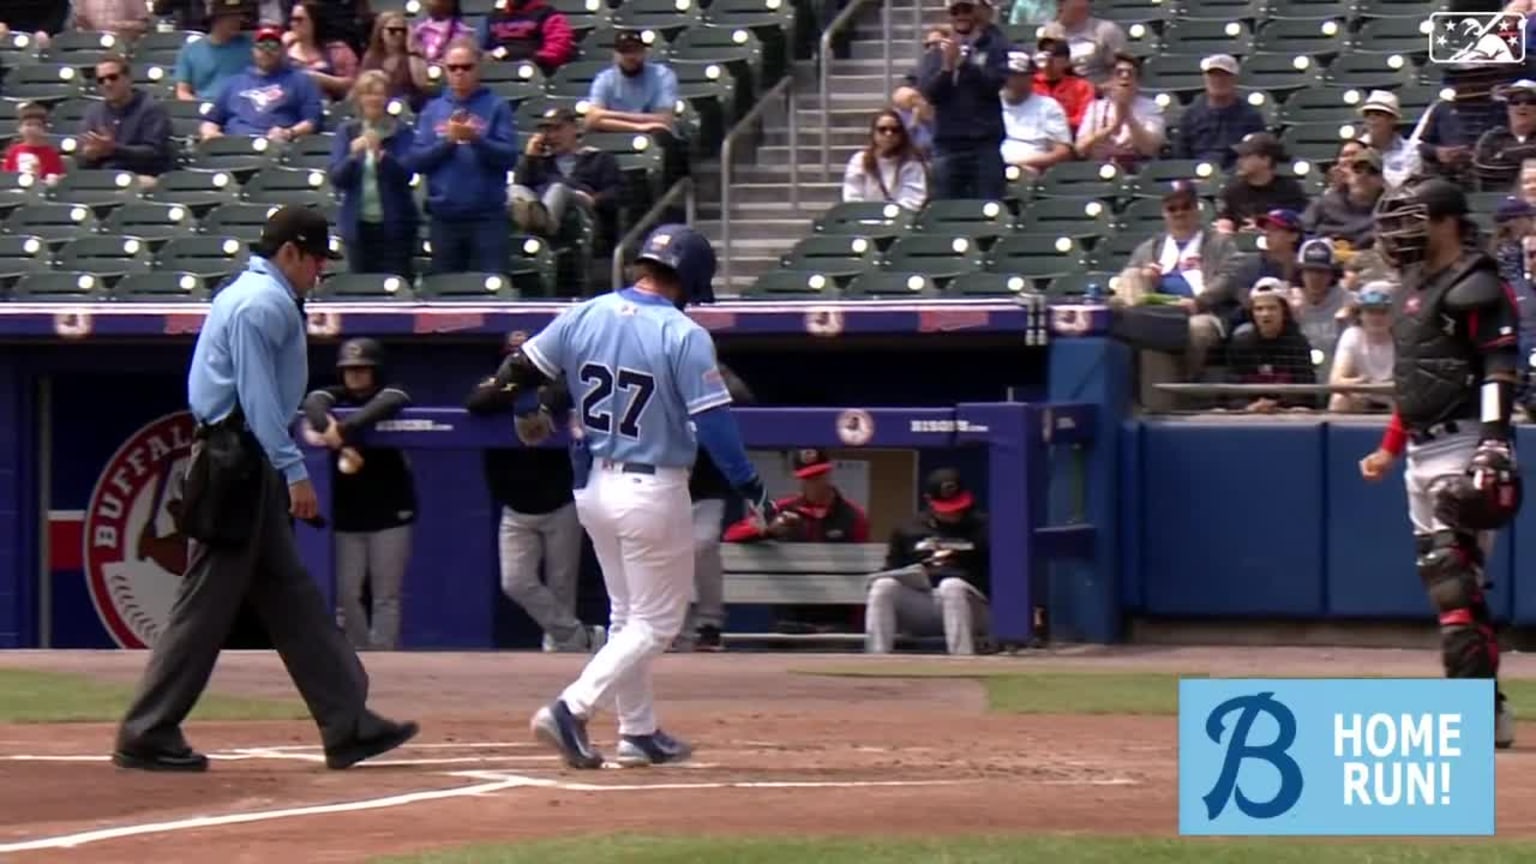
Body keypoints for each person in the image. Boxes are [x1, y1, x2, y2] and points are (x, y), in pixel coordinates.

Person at [111, 206, 418, 772]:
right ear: (290, 253)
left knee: (292, 595)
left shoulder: (255, 294)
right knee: (203, 607)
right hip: (238, 461)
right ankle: (147, 729)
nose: (320, 272)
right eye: (316, 259)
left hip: (241, 457)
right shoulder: (261, 303)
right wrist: (295, 471)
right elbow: (255, 398)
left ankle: (347, 720)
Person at [491, 224, 776, 769]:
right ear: (690, 277)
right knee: (658, 622)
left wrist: (525, 409)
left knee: (627, 615)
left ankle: (638, 733)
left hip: (594, 485)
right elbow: (715, 426)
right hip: (651, 487)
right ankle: (571, 708)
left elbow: (515, 369)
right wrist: (753, 489)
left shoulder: (587, 311)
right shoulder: (683, 332)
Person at [1358, 177, 1521, 750]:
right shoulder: (1411, 288)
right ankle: (1489, 709)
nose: (1401, 232)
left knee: (1453, 579)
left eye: (1413, 219)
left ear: (1446, 221)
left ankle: (1472, 712)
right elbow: (1416, 384)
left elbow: (1501, 366)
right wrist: (1388, 446)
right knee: (1449, 584)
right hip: (1422, 448)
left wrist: (1495, 441)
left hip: (1466, 442)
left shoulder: (1477, 283)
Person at [465, 332, 604, 655]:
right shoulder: (492, 385)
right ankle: (580, 637)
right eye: (512, 357)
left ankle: (561, 653)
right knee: (514, 582)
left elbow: (565, 393)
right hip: (516, 508)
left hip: (560, 504)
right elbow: (475, 402)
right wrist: (518, 394)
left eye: (523, 358)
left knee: (561, 587)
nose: (517, 364)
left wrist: (538, 400)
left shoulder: (561, 384)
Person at [300, 338, 417, 651]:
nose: (354, 375)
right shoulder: (334, 397)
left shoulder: (390, 392)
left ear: (375, 369)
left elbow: (393, 400)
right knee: (346, 595)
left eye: (362, 369)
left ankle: (384, 656)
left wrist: (344, 430)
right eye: (349, 369)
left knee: (386, 596)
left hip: (391, 512)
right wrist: (339, 437)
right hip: (348, 516)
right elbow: (313, 403)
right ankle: (361, 654)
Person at [407, 41, 519, 275]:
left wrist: (476, 139)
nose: (459, 73)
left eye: (466, 67)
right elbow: (417, 160)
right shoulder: (432, 109)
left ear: (478, 69)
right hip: (444, 218)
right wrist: (448, 142)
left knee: (489, 289)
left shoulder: (497, 106)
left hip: (487, 217)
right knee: (446, 292)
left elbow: (508, 157)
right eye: (453, 67)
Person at [865, 469, 991, 655]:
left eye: (957, 506)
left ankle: (963, 660)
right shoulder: (908, 529)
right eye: (947, 508)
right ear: (929, 501)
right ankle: (877, 659)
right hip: (923, 605)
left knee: (952, 586)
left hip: (971, 608)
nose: (953, 513)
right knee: (883, 586)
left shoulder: (984, 527)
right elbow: (892, 568)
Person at [329, 70, 419, 277]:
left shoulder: (401, 131)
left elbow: (407, 173)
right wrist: (352, 156)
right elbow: (337, 177)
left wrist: (382, 157)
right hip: (359, 228)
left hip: (396, 227)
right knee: (362, 284)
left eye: (379, 93)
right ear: (359, 98)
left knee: (394, 282)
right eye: (367, 93)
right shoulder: (347, 131)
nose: (373, 99)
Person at [200, 24, 324, 142]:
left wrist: (289, 133)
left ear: (283, 50)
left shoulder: (300, 81)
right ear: (253, 51)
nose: (267, 51)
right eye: (262, 46)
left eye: (273, 46)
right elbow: (211, 120)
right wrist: (211, 133)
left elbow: (312, 121)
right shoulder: (234, 83)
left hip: (278, 147)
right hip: (234, 146)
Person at [78, 55, 175, 179]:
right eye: (101, 80)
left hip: (141, 175)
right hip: (102, 177)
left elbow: (155, 153)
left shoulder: (151, 109)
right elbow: (80, 156)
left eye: (113, 77)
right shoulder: (94, 112)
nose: (107, 84)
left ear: (128, 78)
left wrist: (114, 149)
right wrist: (89, 154)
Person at [841, 109, 928, 211]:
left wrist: (889, 218)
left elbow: (912, 199)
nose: (888, 134)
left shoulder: (912, 162)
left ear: (901, 134)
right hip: (865, 219)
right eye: (882, 129)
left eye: (894, 130)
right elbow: (852, 194)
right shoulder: (859, 160)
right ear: (873, 133)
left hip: (900, 220)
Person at [174, 0, 256, 102]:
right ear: (215, 20)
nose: (237, 22)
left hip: (242, 107)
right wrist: (198, 107)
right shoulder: (190, 50)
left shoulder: (252, 47)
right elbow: (182, 92)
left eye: (239, 17)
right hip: (204, 107)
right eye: (230, 18)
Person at [284, 0, 360, 101]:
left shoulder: (337, 50)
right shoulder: (285, 49)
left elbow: (354, 84)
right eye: (292, 20)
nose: (294, 24)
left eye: (299, 20)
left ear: (314, 22)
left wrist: (322, 80)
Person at [2, 102, 65, 184]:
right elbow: (7, 174)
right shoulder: (14, 151)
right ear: (20, 128)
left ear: (44, 129)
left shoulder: (50, 153)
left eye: (37, 125)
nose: (33, 129)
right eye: (28, 125)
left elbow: (58, 175)